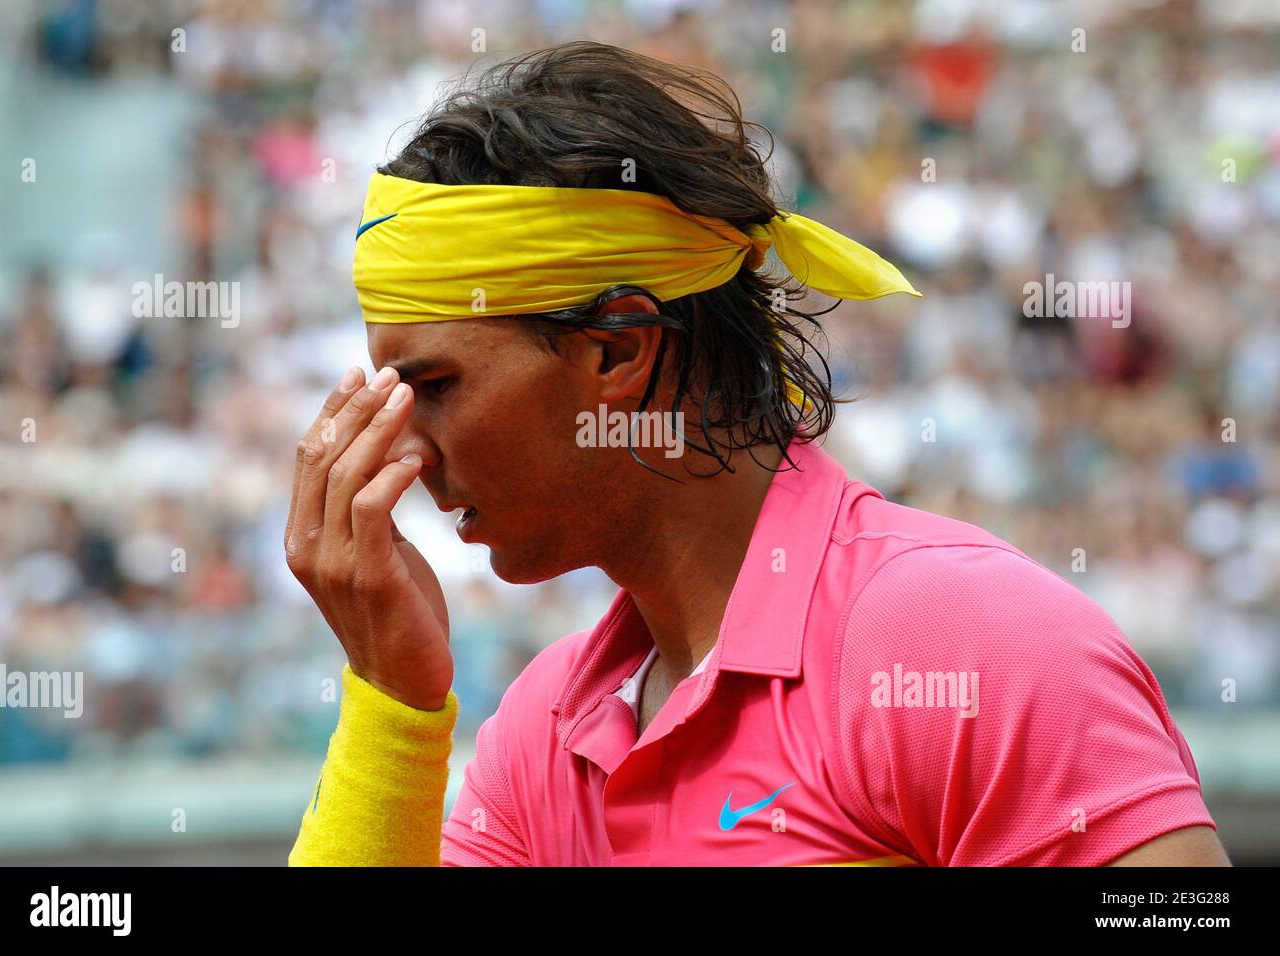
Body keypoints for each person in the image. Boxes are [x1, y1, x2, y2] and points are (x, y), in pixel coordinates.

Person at [285, 41, 1228, 866]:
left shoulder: (968, 642)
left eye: (436, 386)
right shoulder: (544, 735)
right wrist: (393, 708)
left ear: (617, 349)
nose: (399, 446)